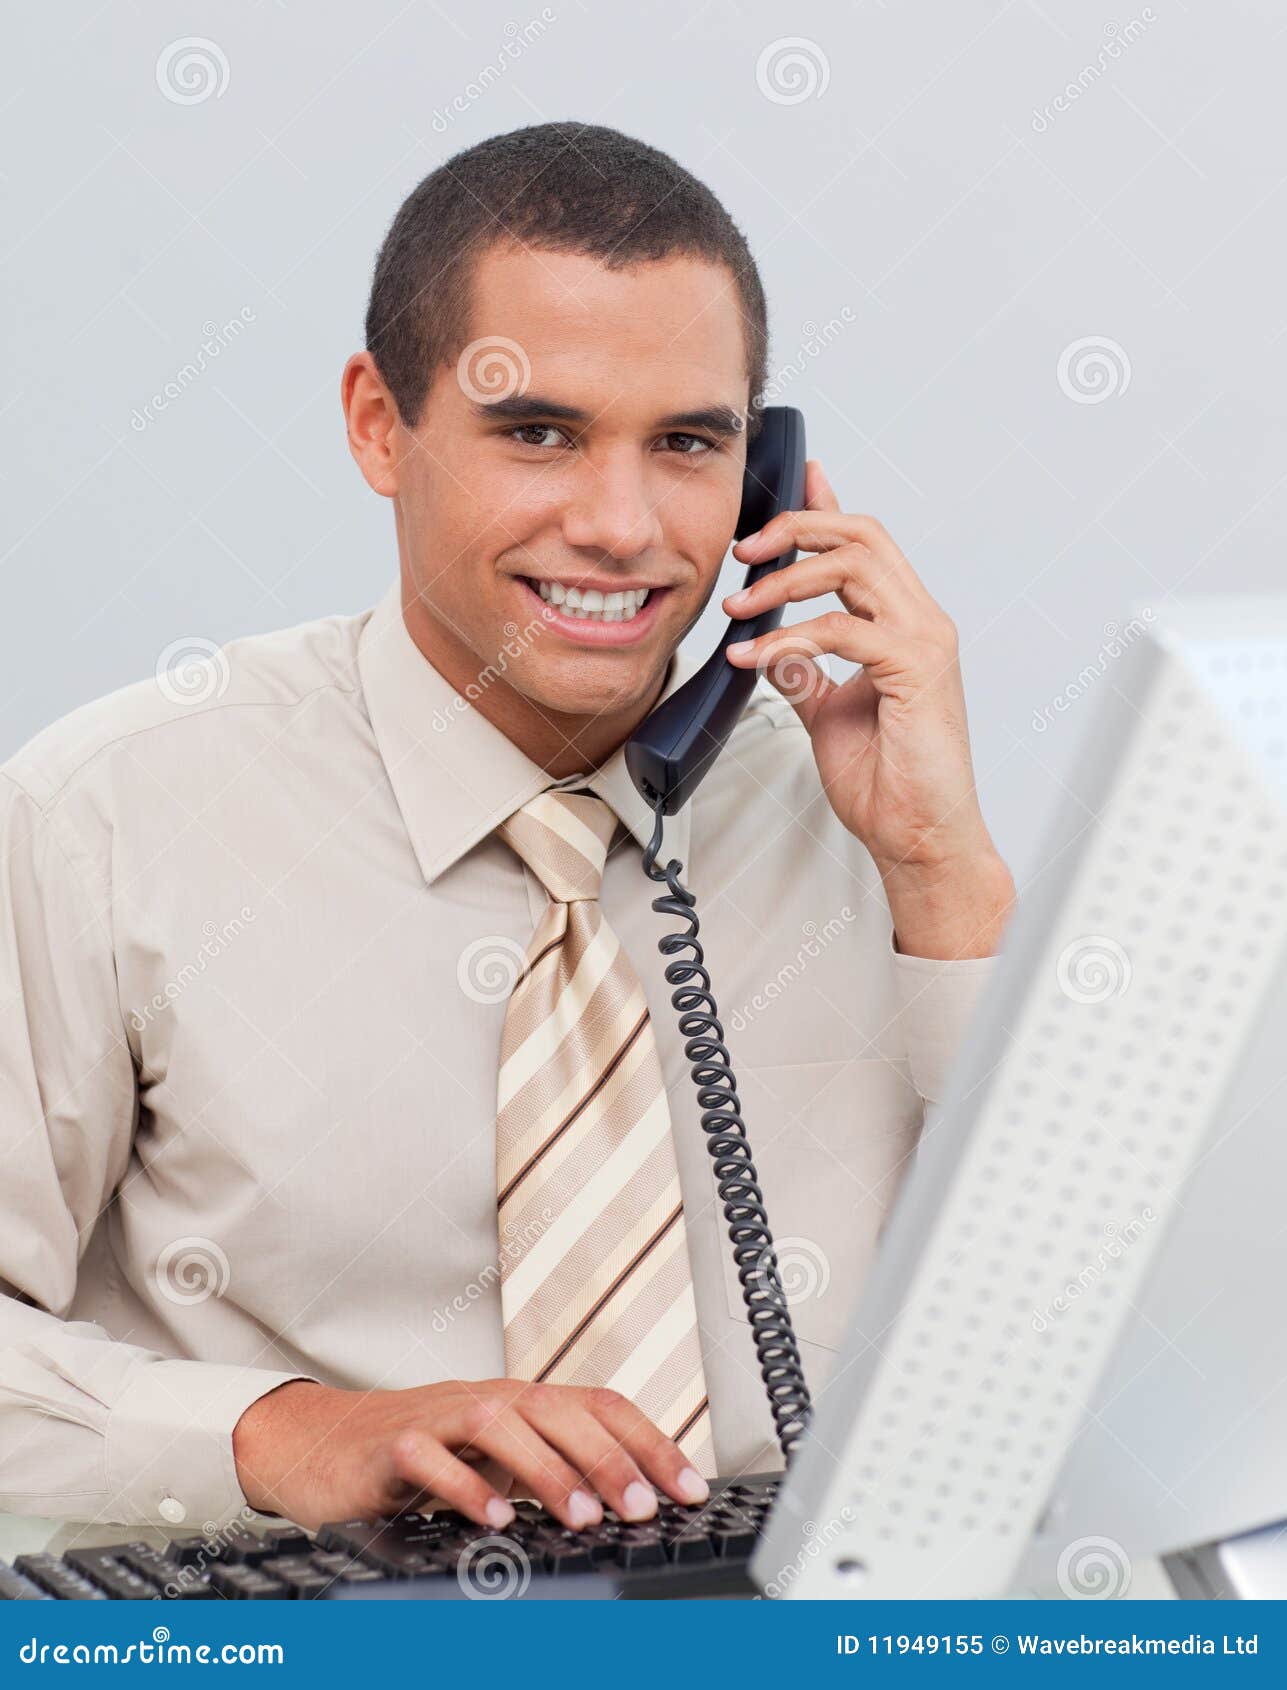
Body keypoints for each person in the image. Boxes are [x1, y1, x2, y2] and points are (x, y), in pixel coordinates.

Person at [0, 123, 1014, 1538]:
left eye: (686, 445)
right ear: (378, 423)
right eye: (537, 432)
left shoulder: (873, 813)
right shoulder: (106, 813)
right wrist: (283, 1432)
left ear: (766, 476)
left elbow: (1098, 1332)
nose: (620, 523)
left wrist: (943, 876)